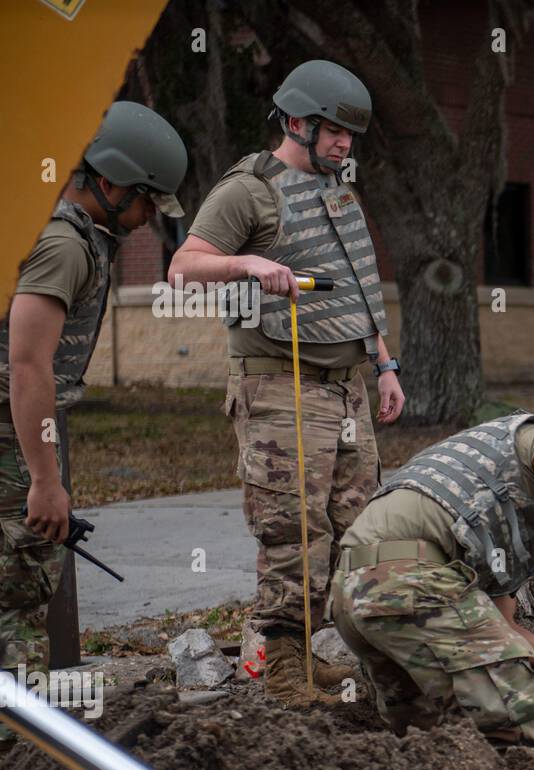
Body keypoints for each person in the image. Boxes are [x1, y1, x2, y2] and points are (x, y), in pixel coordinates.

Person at [168, 60, 404, 705]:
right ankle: (284, 671)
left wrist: (384, 366)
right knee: (293, 531)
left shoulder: (338, 191)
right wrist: (246, 262)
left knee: (358, 527)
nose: (343, 145)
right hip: (281, 386)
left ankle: (315, 651)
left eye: (350, 137)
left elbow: (357, 286)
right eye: (333, 132)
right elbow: (184, 268)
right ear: (296, 120)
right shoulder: (250, 190)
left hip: (347, 383)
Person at [330, 411, 534, 746]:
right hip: (411, 583)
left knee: (429, 743)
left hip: (357, 593)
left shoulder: (501, 507)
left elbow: (504, 633)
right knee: (524, 720)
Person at [1, 101, 187, 684]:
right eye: (145, 199)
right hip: (10, 438)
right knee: (14, 597)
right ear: (108, 182)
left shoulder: (83, 233)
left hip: (19, 434)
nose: (149, 215)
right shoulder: (62, 243)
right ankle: (15, 750)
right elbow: (28, 368)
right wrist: (45, 482)